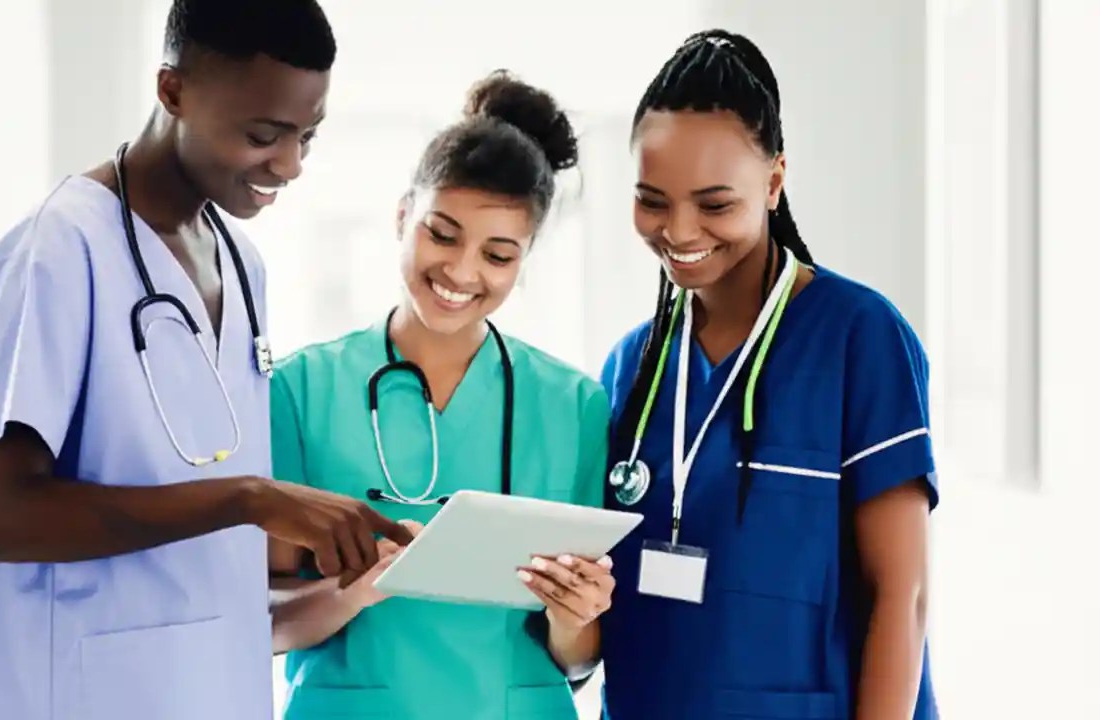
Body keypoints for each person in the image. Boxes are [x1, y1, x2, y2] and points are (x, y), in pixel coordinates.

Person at [0, 3, 413, 720]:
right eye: (264, 135)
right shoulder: (57, 252)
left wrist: (362, 576)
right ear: (172, 92)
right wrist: (251, 498)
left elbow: (202, 577)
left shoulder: (242, 263)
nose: (288, 166)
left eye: (307, 137)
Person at [597, 30, 939, 720]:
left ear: (775, 182)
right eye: (652, 200)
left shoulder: (859, 336)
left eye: (715, 204)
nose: (680, 231)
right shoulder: (630, 367)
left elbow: (902, 594)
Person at [267, 70, 615, 720]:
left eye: (498, 254)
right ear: (403, 216)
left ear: (526, 255)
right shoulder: (299, 390)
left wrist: (577, 617)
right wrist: (354, 593)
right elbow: (263, 621)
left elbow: (578, 659)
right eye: (442, 233)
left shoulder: (573, 406)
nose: (460, 272)